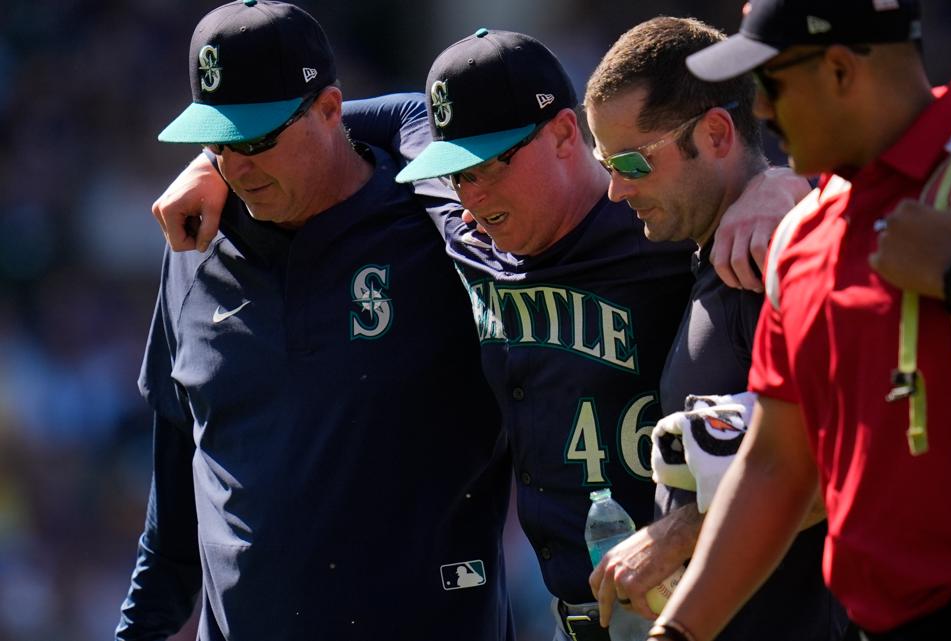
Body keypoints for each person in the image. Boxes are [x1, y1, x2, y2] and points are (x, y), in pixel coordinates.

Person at [147, 25, 806, 639]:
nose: (474, 191)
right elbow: (379, 116)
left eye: (494, 162)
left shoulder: (659, 224)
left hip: (728, 605)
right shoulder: (458, 222)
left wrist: (776, 184)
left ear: (564, 134)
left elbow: (816, 452)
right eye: (459, 169)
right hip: (577, 615)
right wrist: (227, 155)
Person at [650, 1, 951, 640]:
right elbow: (776, 464)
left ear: (839, 70)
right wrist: (679, 631)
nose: (762, 112)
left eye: (770, 84)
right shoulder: (803, 232)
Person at [115, 2, 512, 640]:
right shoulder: (193, 245)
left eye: (259, 139)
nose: (236, 166)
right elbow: (175, 513)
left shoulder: (435, 229)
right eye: (218, 141)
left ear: (332, 110)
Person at [582, 16, 849, 641]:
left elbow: (838, 455)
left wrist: (677, 536)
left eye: (631, 162)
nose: (616, 190)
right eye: (604, 164)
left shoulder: (775, 260)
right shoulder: (704, 244)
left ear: (716, 132)